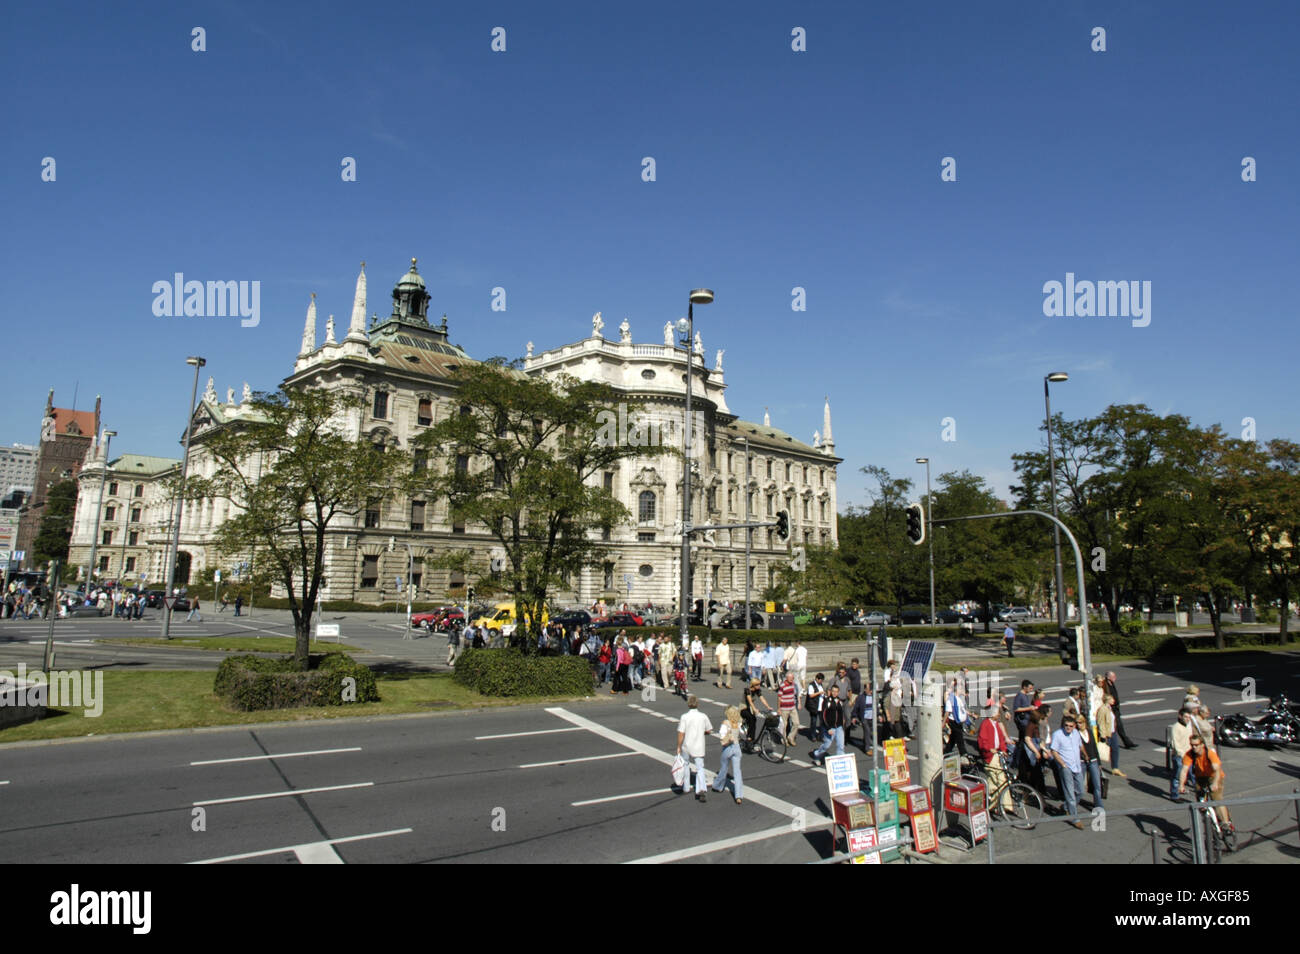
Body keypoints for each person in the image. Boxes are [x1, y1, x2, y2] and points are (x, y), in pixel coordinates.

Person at [1176, 734, 1233, 831]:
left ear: (1202, 744)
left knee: (1216, 799)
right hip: (1200, 777)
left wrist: (1215, 783)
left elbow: (1217, 770)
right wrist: (1181, 785)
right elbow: (1184, 770)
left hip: (1214, 776)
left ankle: (1226, 823)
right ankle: (1208, 824)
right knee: (1201, 802)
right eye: (1192, 745)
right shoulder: (1189, 754)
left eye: (1196, 745)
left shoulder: (1209, 753)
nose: (1194, 747)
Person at [1051, 714, 1087, 828]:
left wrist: (1085, 755)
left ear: (1074, 726)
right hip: (1066, 767)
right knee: (1070, 794)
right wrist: (1062, 764)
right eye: (1066, 725)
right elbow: (1054, 751)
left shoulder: (1076, 733)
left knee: (1080, 791)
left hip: (1077, 766)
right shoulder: (1058, 735)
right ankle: (1075, 819)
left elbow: (1080, 746)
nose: (1068, 728)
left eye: (1071, 726)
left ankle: (1066, 807)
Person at [675, 695, 714, 801]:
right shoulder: (703, 716)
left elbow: (681, 733)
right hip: (699, 745)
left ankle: (686, 787)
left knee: (686, 765)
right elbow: (709, 730)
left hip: (687, 745)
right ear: (698, 704)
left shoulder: (684, 717)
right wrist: (703, 732)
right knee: (700, 768)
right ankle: (701, 788)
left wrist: (678, 746)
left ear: (688, 704)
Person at [977, 704, 1012, 811]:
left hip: (997, 754)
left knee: (1001, 780)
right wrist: (989, 749)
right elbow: (982, 741)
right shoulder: (985, 724)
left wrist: (1003, 750)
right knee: (994, 781)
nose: (998, 715)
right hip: (991, 755)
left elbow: (1000, 739)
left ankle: (1004, 805)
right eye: (997, 713)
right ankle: (995, 805)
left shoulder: (995, 724)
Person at [711, 706, 745, 803]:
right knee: (737, 772)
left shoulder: (726, 723)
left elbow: (722, 735)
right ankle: (739, 795)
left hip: (728, 748)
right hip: (737, 747)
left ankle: (718, 786)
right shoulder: (738, 723)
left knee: (724, 768)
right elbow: (742, 734)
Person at [809, 684, 845, 764]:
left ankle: (841, 762)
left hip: (839, 727)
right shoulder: (827, 701)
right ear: (830, 692)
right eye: (833, 691)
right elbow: (823, 716)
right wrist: (828, 728)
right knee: (827, 745)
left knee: (841, 745)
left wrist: (842, 723)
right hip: (830, 727)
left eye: (836, 691)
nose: (834, 693)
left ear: (838, 692)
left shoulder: (840, 701)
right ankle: (817, 755)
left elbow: (841, 713)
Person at [1104, 670, 1138, 748]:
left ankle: (1127, 743)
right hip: (1111, 709)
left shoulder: (1111, 684)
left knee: (1119, 727)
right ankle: (1123, 743)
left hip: (1116, 709)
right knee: (1115, 727)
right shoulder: (1105, 685)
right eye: (1113, 676)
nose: (1115, 678)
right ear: (1108, 677)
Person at [1096, 693, 1125, 777]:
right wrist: (1102, 735)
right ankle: (1098, 768)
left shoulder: (1109, 708)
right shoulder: (1102, 709)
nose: (1114, 700)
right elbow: (1101, 723)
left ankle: (1115, 768)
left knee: (1115, 750)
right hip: (1106, 734)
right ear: (1107, 700)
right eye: (1112, 699)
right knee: (1102, 752)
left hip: (1113, 732)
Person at [1168, 708, 1194, 799]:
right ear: (1180, 716)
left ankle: (1198, 791)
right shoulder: (1176, 727)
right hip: (1179, 756)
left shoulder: (1189, 725)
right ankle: (1174, 795)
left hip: (1189, 755)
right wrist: (1182, 755)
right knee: (1177, 776)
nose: (1188, 719)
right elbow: (1175, 744)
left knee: (1192, 773)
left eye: (1189, 717)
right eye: (1186, 717)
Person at [742, 678, 773, 745]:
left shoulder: (757, 690)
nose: (759, 686)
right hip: (743, 708)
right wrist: (755, 709)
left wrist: (768, 707)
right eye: (757, 685)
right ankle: (749, 738)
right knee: (751, 718)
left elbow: (762, 699)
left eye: (759, 684)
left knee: (754, 720)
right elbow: (750, 701)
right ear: (753, 685)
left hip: (750, 708)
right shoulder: (747, 690)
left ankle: (752, 738)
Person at [944, 678, 969, 759]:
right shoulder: (951, 699)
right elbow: (947, 712)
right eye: (962, 689)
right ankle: (964, 754)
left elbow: (962, 710)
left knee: (953, 739)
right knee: (959, 738)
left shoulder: (958, 699)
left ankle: (946, 752)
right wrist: (943, 723)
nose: (963, 690)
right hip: (954, 722)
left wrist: (970, 714)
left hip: (958, 722)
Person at [777, 671, 800, 746]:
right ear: (787, 678)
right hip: (784, 708)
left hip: (792, 707)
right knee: (784, 725)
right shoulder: (782, 686)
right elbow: (779, 697)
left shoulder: (793, 684)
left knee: (796, 723)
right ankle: (784, 739)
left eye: (792, 678)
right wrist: (779, 708)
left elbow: (797, 694)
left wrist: (799, 703)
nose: (792, 679)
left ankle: (791, 737)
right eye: (790, 678)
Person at [805, 673, 826, 741]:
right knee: (814, 721)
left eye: (822, 680)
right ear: (817, 678)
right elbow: (811, 695)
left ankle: (821, 736)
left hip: (821, 706)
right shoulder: (811, 685)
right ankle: (813, 735)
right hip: (814, 706)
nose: (821, 681)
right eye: (820, 680)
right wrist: (819, 693)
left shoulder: (820, 685)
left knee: (822, 722)